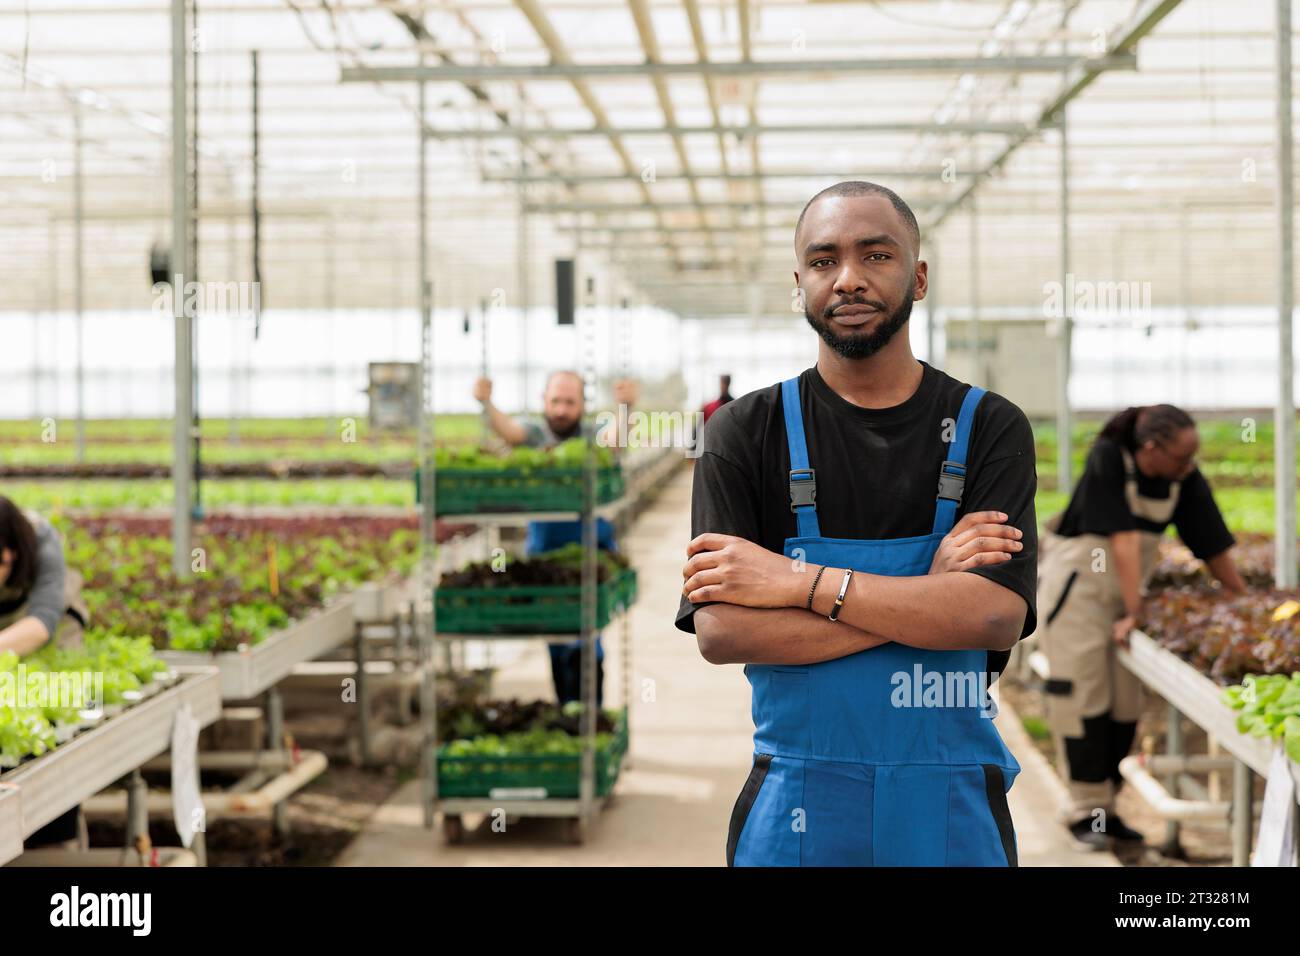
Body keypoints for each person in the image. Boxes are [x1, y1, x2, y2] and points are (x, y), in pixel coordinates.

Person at [676, 181, 1038, 867]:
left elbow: (992, 619)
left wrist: (792, 581)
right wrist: (928, 595)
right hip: (798, 804)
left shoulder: (988, 428)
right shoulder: (742, 435)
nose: (847, 279)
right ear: (800, 281)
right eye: (823, 261)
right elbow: (724, 632)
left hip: (950, 803)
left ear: (918, 276)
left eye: (876, 255)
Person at [1035, 404, 1246, 851]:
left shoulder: (1180, 479)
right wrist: (1136, 610)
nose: (1188, 467)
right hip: (1080, 593)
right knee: (1083, 699)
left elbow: (1210, 540)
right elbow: (1124, 540)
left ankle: (1106, 811)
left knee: (1124, 708)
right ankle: (1085, 812)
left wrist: (1243, 600)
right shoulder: (1110, 457)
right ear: (1151, 447)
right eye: (1181, 458)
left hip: (1126, 598)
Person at [473, 371, 637, 707]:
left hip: (591, 554)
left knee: (587, 642)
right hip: (547, 558)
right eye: (556, 401)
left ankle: (590, 719)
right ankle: (569, 714)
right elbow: (509, 430)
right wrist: (486, 402)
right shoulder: (535, 434)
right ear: (543, 401)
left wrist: (625, 408)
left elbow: (614, 441)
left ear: (582, 404)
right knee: (558, 640)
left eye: (570, 402)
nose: (562, 410)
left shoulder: (591, 436)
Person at [0, 496, 90, 850]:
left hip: (52, 635)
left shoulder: (42, 542)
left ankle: (58, 839)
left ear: (16, 550)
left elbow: (41, 625)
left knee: (54, 721)